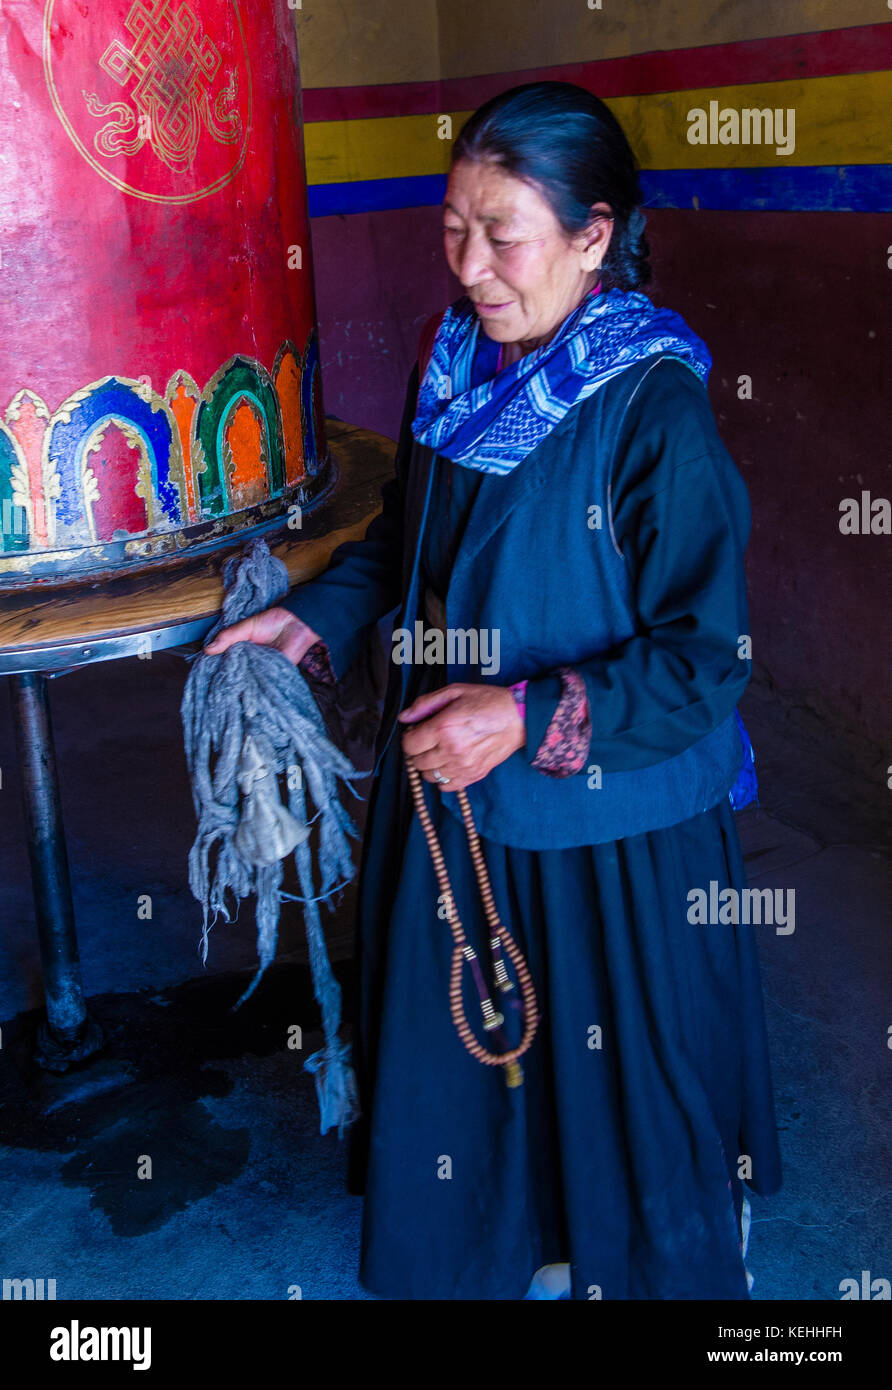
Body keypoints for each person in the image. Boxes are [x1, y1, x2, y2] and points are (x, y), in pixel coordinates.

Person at [207, 81, 781, 1300]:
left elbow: (705, 659)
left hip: (607, 830)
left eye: (502, 233)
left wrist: (522, 716)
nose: (470, 263)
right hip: (458, 804)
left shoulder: (651, 406)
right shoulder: (463, 356)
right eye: (453, 228)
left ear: (593, 233)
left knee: (627, 1081)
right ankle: (525, 1243)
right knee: (483, 1076)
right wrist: (308, 620)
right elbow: (409, 531)